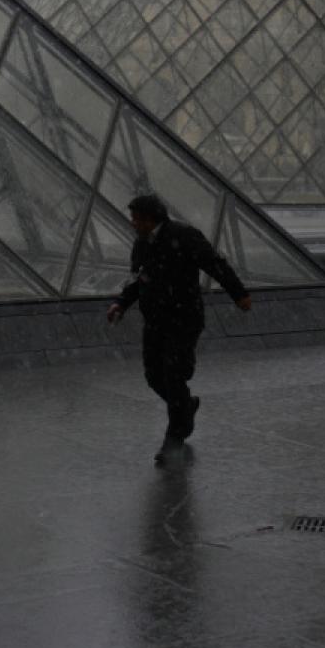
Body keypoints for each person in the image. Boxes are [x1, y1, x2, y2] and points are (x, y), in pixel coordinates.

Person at [106, 194, 253, 460]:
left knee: (174, 375)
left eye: (136, 219)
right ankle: (185, 406)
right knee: (154, 376)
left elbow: (214, 264)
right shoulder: (141, 243)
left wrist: (238, 293)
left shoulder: (184, 235)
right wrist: (120, 303)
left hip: (183, 319)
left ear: (152, 219)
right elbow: (136, 279)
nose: (132, 224)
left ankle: (175, 435)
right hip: (155, 321)